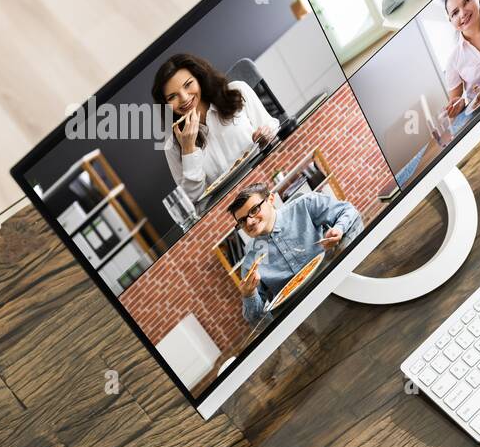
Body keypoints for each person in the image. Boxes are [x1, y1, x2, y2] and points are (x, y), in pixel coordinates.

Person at [229, 183, 364, 325]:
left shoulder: (304, 204)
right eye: (242, 221)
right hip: (306, 318)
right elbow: (256, 319)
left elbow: (348, 211)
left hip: (340, 281)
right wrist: (248, 294)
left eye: (254, 210)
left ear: (270, 199)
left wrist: (338, 229)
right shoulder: (250, 264)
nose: (249, 221)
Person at [152, 53, 279, 203]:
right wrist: (188, 149)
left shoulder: (237, 91)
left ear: (199, 78)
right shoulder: (172, 145)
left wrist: (266, 134)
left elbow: (273, 127)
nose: (184, 98)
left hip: (268, 183)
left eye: (188, 85)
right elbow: (194, 201)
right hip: (229, 208)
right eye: (173, 96)